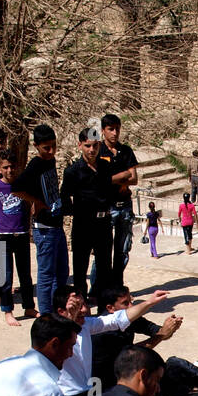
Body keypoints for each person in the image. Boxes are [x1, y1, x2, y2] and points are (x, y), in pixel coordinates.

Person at [51, 284, 168, 396]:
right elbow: (63, 343)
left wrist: (149, 302)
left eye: (84, 304)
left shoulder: (86, 325)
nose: (85, 310)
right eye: (77, 306)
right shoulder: (50, 332)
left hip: (87, 391)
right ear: (61, 311)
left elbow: (117, 319)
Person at [11, 124, 69, 316]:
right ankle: (46, 314)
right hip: (44, 228)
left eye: (54, 146)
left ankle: (57, 309)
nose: (51, 151)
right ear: (36, 146)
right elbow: (17, 188)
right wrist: (36, 201)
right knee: (46, 274)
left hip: (56, 223)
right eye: (46, 148)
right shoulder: (35, 165)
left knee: (61, 272)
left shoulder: (49, 162)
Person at [60, 127, 117, 308]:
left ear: (99, 145)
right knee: (80, 266)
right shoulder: (72, 171)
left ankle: (104, 305)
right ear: (80, 146)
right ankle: (81, 305)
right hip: (83, 224)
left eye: (94, 146)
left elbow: (111, 190)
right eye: (87, 146)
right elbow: (64, 196)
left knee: (105, 266)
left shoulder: (106, 167)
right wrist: (77, 211)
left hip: (104, 223)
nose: (91, 150)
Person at [89, 285, 182, 394]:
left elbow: (159, 332)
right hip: (99, 382)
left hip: (120, 373)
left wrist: (170, 327)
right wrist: (161, 336)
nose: (131, 306)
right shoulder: (102, 330)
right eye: (125, 303)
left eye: (131, 301)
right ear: (110, 308)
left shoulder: (131, 319)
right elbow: (130, 357)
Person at [0, 149, 35, 326]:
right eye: (6, 167)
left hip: (22, 234)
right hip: (3, 235)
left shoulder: (22, 184)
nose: (10, 170)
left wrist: (30, 221)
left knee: (25, 274)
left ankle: (29, 306)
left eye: (12, 167)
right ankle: (8, 310)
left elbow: (31, 203)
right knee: (5, 275)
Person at [100, 114, 139, 277]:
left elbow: (134, 178)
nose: (115, 133)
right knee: (103, 251)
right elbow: (99, 180)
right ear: (103, 131)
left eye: (117, 129)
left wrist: (113, 179)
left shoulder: (126, 151)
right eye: (111, 129)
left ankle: (117, 285)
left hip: (124, 206)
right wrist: (122, 177)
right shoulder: (98, 150)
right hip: (107, 206)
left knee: (122, 250)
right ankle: (98, 288)